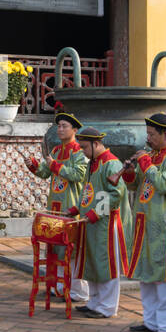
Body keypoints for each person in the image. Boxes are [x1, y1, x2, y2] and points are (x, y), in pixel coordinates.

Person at [122, 113, 166, 332]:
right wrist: (129, 172)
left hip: (164, 225)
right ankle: (151, 321)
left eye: (152, 134)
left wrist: (146, 164)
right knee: (146, 275)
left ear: (165, 134)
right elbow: (135, 185)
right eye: (148, 134)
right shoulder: (152, 156)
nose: (148, 138)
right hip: (144, 223)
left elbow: (164, 184)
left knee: (164, 277)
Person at [66, 127, 128, 320]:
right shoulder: (94, 163)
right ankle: (94, 301)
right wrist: (77, 208)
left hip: (106, 224)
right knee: (92, 262)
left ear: (96, 144)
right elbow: (87, 191)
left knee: (106, 264)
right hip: (91, 222)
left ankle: (108, 306)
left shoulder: (111, 163)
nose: (83, 151)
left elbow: (116, 195)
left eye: (85, 147)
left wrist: (94, 213)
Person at [27, 111, 90, 300]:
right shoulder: (56, 151)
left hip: (71, 207)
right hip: (55, 206)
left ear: (75, 130)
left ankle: (78, 291)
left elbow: (78, 174)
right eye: (59, 126)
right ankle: (58, 286)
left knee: (71, 249)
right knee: (55, 248)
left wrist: (55, 166)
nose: (60, 129)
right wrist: (33, 165)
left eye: (64, 126)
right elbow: (45, 172)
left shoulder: (80, 152)